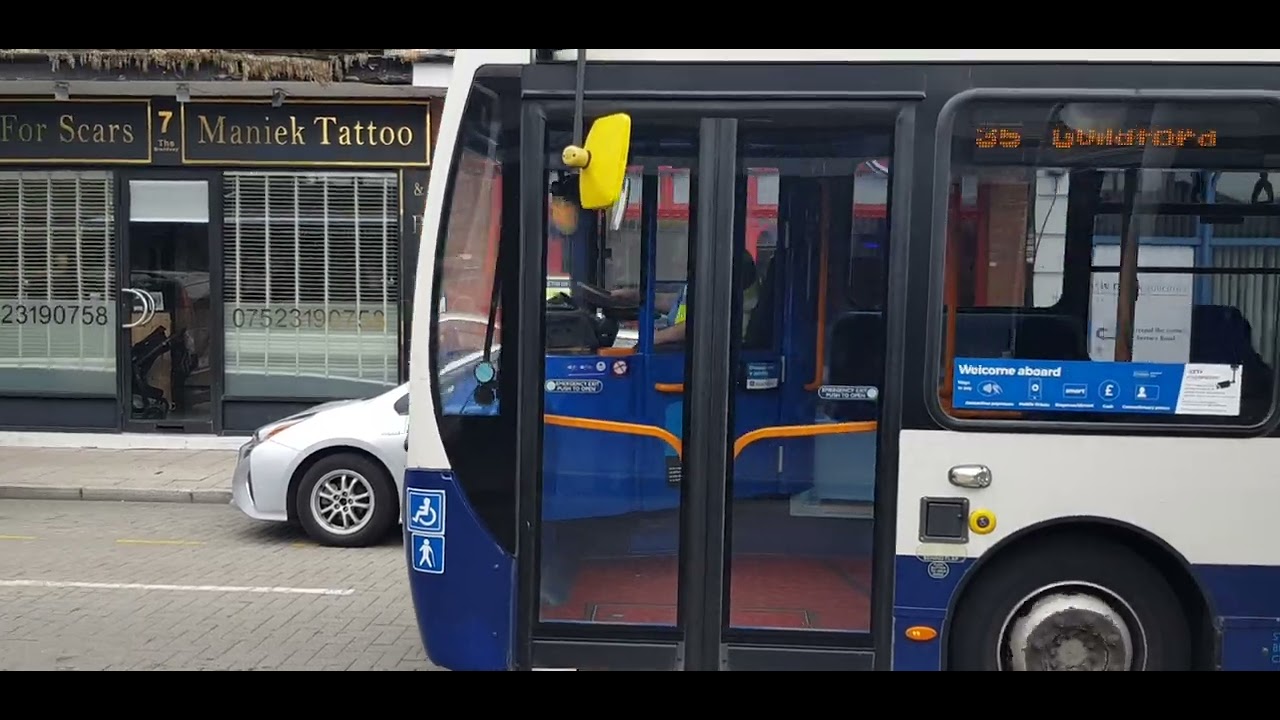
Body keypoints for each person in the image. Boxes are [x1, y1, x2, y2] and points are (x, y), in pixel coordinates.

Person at [611, 250, 759, 345]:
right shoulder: (703, 278)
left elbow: (704, 323)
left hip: (706, 350)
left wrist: (656, 338)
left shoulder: (727, 264)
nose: (675, 259)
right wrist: (634, 296)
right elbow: (675, 303)